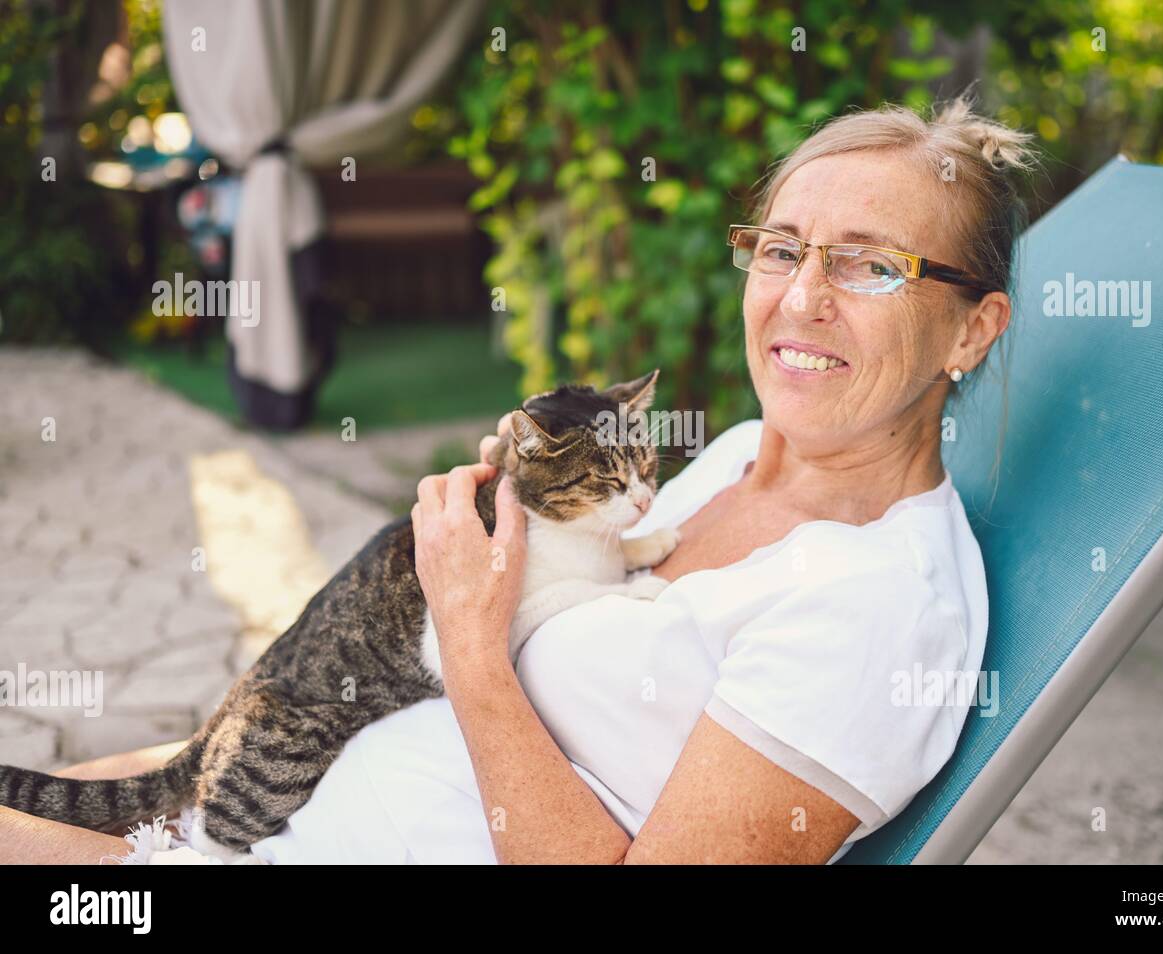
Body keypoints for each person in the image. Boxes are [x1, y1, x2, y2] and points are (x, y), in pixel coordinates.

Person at [1, 92, 1036, 864]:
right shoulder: (732, 460)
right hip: (271, 809)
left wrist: (470, 640)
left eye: (869, 264)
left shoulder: (876, 608)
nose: (801, 296)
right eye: (779, 248)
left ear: (971, 329)